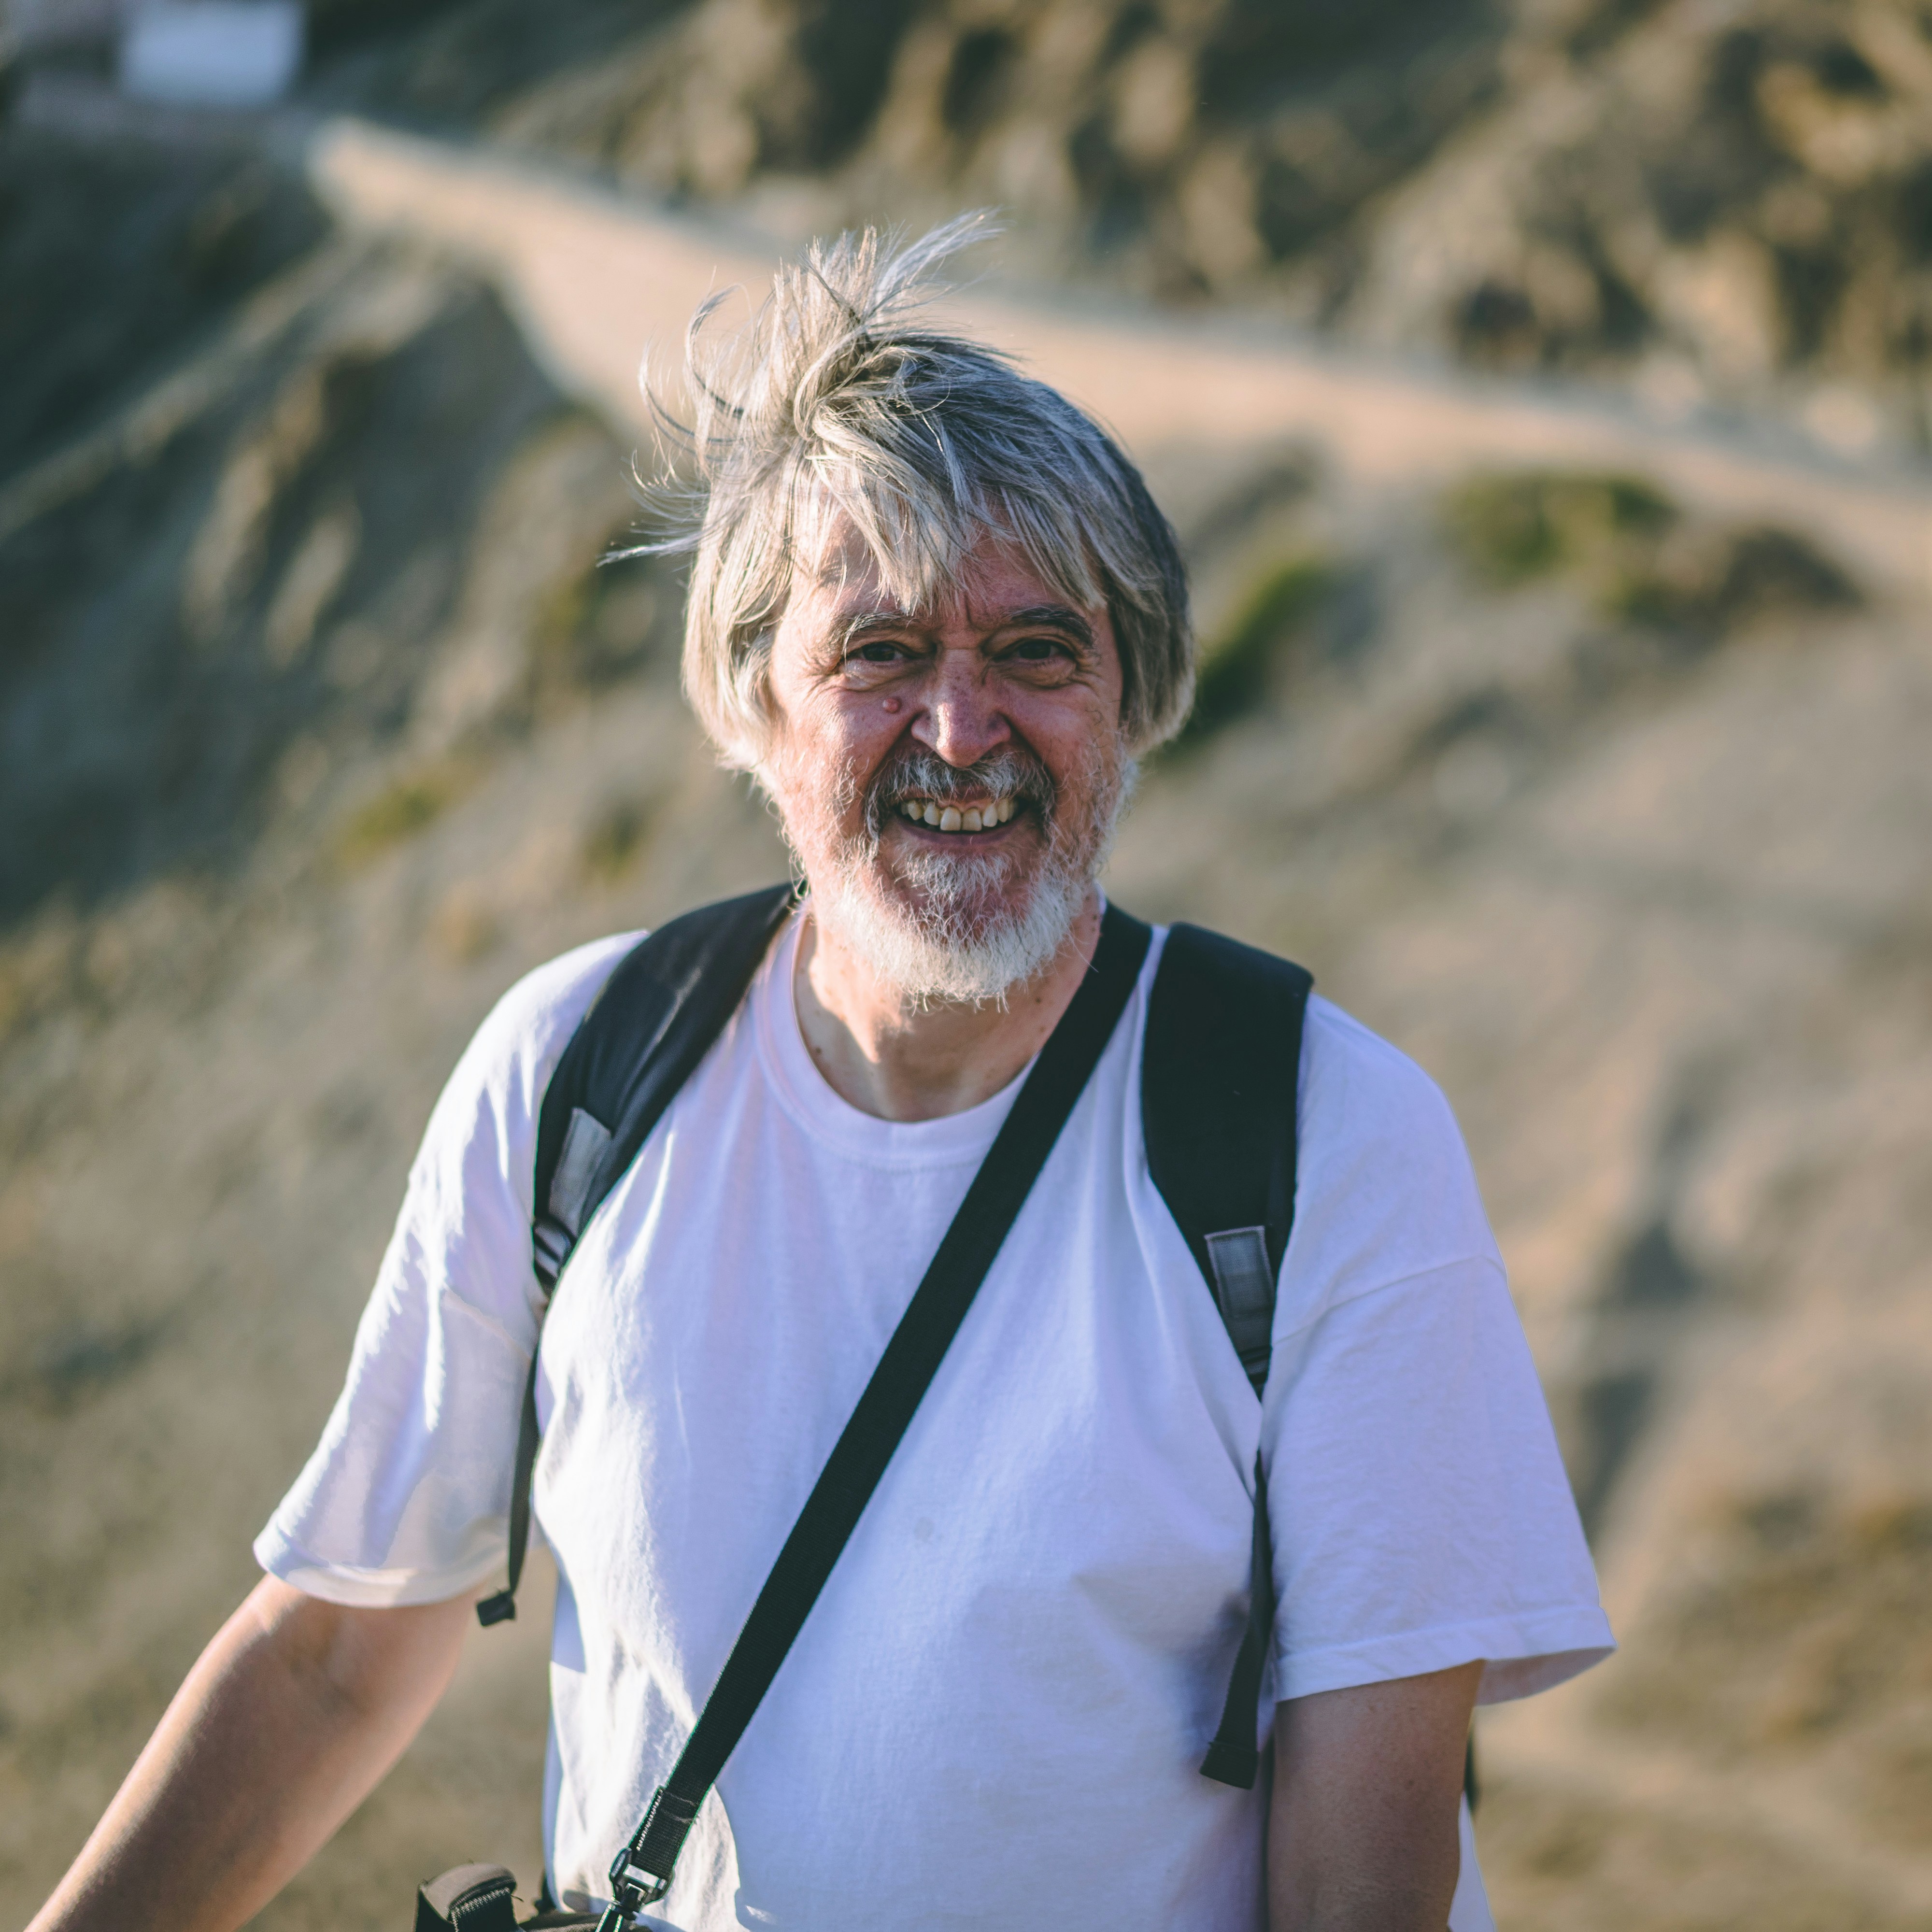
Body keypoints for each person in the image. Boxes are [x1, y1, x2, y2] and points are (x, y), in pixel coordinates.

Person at [29, 220, 1611, 1932]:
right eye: (879, 653)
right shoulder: (574, 1077)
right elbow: (337, 1657)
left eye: (1036, 651)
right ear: (752, 706)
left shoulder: (1321, 1141)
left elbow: (1368, 1857)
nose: (960, 729)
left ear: (1129, 697)